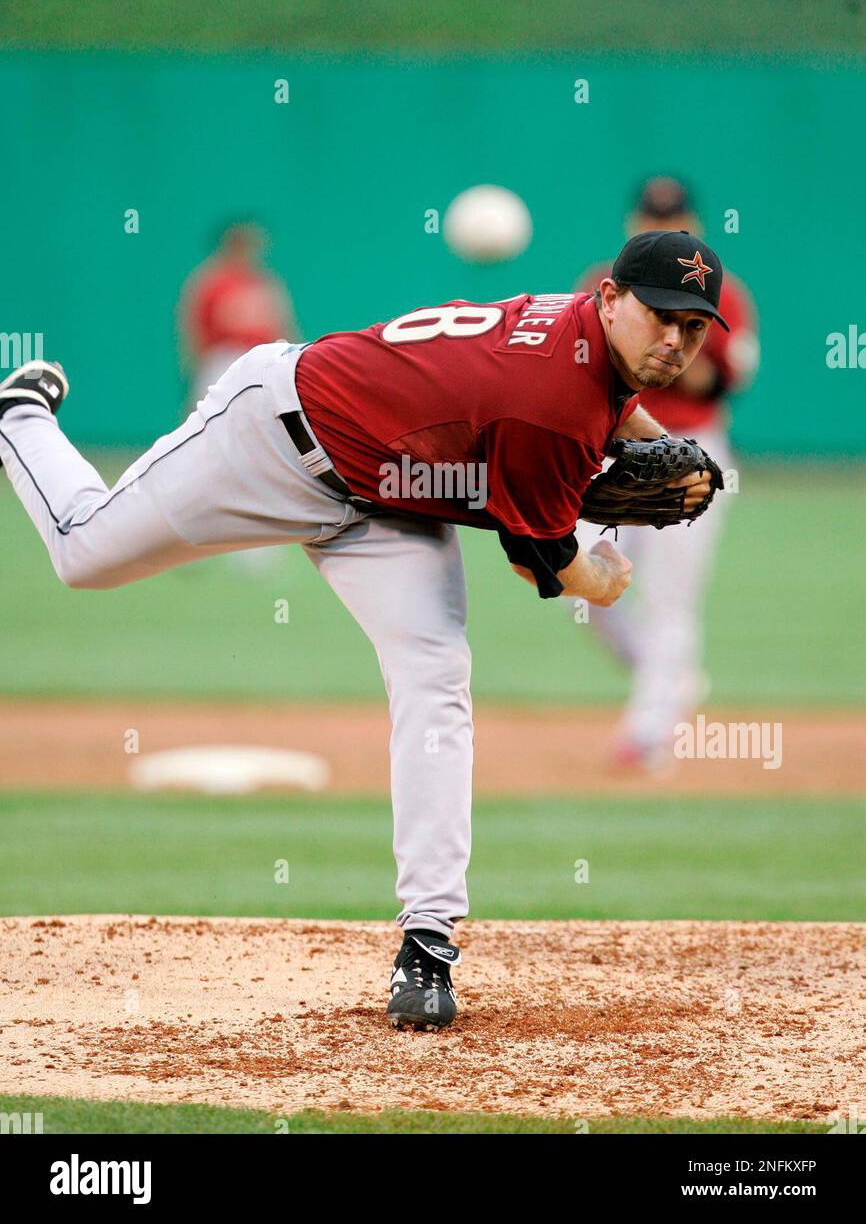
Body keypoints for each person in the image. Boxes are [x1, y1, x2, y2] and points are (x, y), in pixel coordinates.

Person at [0, 229, 723, 1031]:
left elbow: (606, 401)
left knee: (436, 675)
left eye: (692, 328)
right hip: (273, 439)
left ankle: (428, 945)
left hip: (388, 506)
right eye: (661, 315)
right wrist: (603, 571)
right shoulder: (549, 409)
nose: (674, 340)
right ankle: (20, 415)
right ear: (613, 299)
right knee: (83, 554)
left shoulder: (587, 334)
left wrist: (661, 444)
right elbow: (544, 567)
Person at [575, 178, 759, 773]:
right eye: (654, 215)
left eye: (676, 214)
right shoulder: (606, 285)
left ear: (696, 220)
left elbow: (727, 381)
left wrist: (674, 337)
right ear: (633, 221)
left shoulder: (724, 298)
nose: (666, 221)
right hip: (616, 446)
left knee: (669, 600)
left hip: (693, 451)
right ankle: (671, 678)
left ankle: (649, 735)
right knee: (579, 583)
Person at [180, 221, 298, 404]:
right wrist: (195, 369)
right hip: (223, 360)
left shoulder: (265, 282)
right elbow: (194, 331)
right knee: (210, 420)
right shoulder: (210, 281)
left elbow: (283, 328)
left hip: (262, 360)